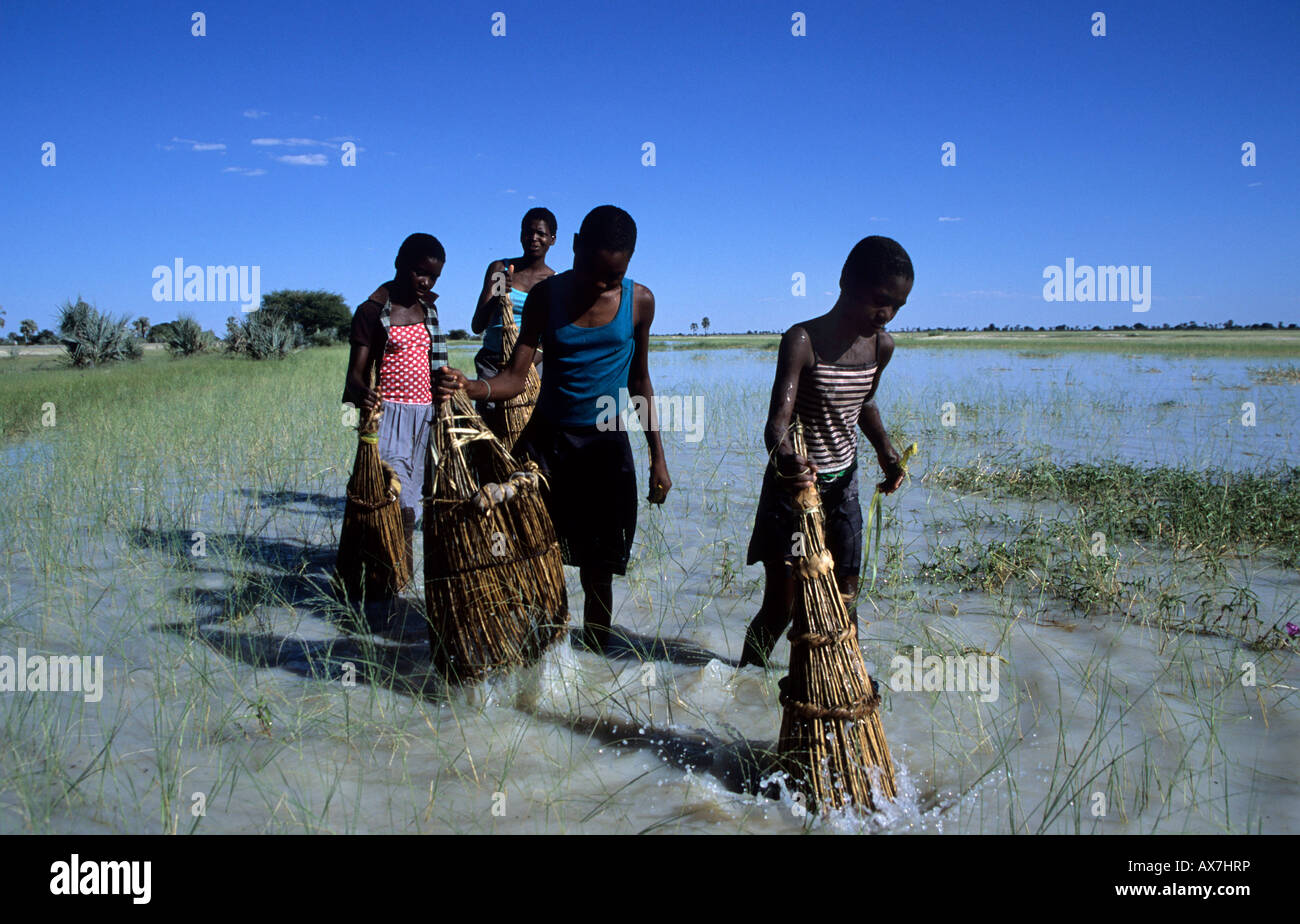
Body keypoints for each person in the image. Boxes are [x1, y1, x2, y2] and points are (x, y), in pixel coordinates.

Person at [436, 205, 671, 651]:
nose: (602, 285)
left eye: (613, 276)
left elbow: (640, 381)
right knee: (537, 555)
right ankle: (544, 655)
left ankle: (594, 665)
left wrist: (658, 458)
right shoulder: (548, 298)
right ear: (577, 246)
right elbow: (514, 377)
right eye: (594, 271)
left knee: (599, 570)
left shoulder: (640, 301)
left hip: (605, 450)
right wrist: (472, 386)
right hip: (548, 448)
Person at [738, 236, 914, 667]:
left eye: (897, 306)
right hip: (794, 497)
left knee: (846, 597)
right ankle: (744, 682)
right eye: (879, 300)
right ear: (845, 282)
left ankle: (839, 683)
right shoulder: (803, 340)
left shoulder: (880, 347)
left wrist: (887, 453)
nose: (886, 314)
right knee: (782, 606)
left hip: (844, 488)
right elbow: (777, 422)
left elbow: (864, 404)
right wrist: (785, 457)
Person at [342, 233, 448, 583]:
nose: (426, 282)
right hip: (388, 419)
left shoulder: (428, 310)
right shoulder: (371, 312)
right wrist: (364, 395)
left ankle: (398, 579)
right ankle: (382, 577)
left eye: (433, 277)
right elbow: (355, 376)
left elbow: (435, 368)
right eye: (420, 273)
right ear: (399, 265)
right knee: (389, 497)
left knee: (412, 503)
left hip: (425, 418)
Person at [470, 208, 556, 434]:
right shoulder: (501, 269)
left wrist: (524, 364)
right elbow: (478, 325)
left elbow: (549, 337)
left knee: (529, 423)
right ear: (520, 235)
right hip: (493, 362)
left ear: (552, 240)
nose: (534, 238)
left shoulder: (552, 283)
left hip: (532, 364)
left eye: (541, 234)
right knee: (490, 425)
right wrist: (498, 294)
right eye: (528, 232)